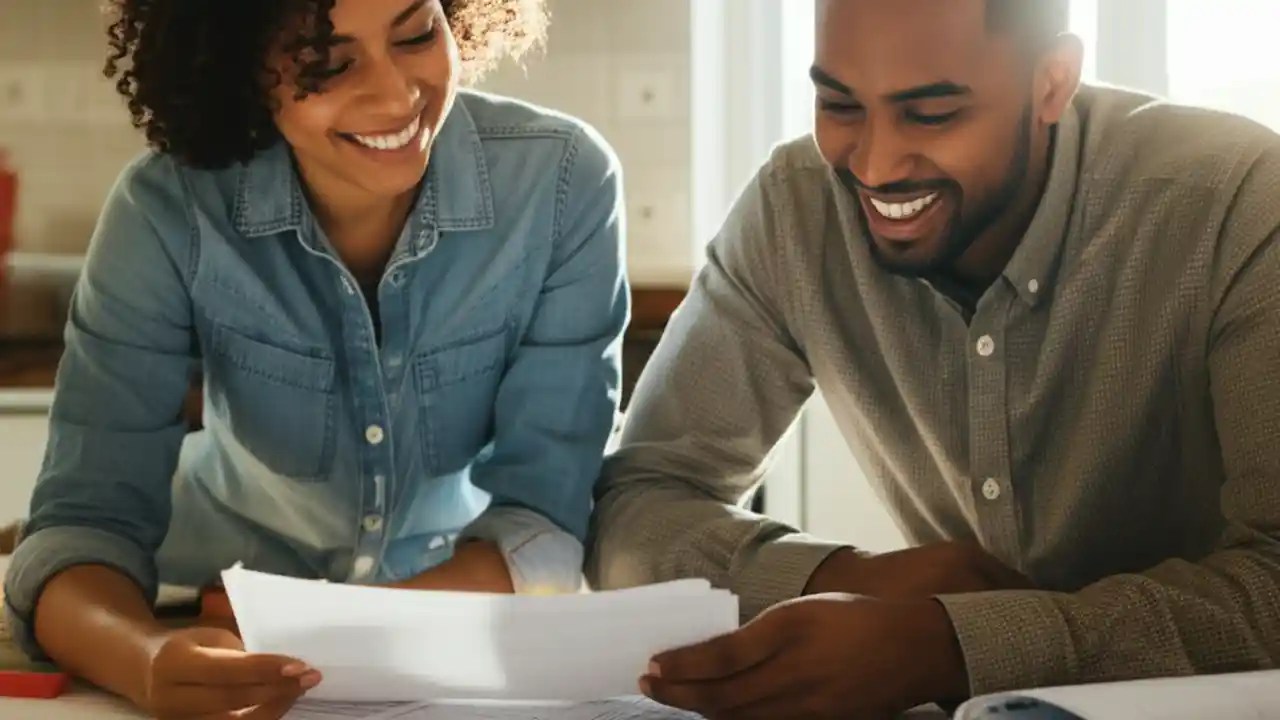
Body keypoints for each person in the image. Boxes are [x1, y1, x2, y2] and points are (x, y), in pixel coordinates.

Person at [588, 0, 1280, 717]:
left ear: (1053, 81)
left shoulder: (1239, 201)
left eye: (932, 114)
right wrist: (845, 575)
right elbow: (634, 509)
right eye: (839, 103)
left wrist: (951, 646)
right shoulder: (795, 210)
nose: (875, 164)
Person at [3, 0, 628, 717]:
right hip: (200, 611)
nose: (397, 95)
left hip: (452, 630)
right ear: (238, 65)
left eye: (417, 34)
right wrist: (144, 658)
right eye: (326, 62)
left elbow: (543, 519)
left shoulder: (561, 183)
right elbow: (81, 526)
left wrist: (351, 637)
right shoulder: (165, 209)